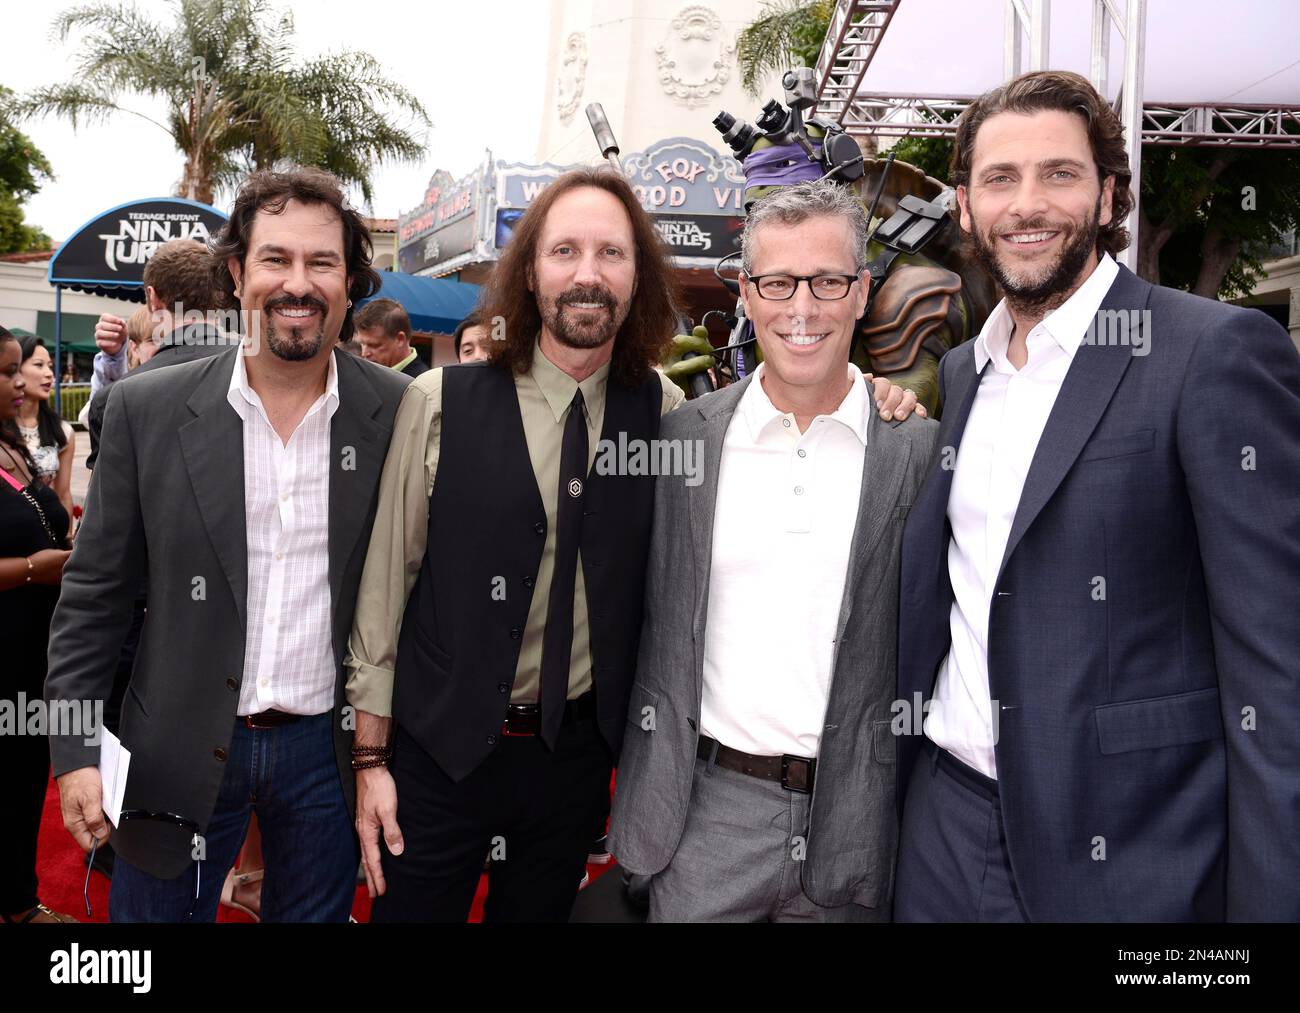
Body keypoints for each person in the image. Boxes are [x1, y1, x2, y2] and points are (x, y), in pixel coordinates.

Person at [345, 167, 920, 923]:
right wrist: (370, 759)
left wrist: (879, 394)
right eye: (565, 252)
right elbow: (384, 597)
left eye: (611, 253)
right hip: (434, 756)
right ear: (530, 270)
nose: (588, 274)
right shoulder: (442, 401)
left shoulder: (669, 417)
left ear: (638, 276)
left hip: (572, 767)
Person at [895, 70, 1300, 922]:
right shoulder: (965, 373)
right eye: (999, 178)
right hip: (943, 831)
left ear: (1110, 191)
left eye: (1060, 174)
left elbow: (1278, 669)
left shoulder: (1212, 353)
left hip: (1130, 853)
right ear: (964, 205)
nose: (1027, 204)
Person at [44, 167, 411, 923]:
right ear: (239, 271)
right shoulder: (145, 409)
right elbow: (93, 596)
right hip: (173, 744)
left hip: (325, 753)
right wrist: (77, 752)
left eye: (322, 262)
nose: (297, 284)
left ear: (351, 280)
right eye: (276, 259)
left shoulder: (399, 412)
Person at [608, 181, 934, 922]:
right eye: (778, 282)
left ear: (862, 292)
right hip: (702, 819)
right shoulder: (683, 439)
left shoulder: (918, 452)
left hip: (858, 819)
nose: (803, 307)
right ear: (748, 295)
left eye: (828, 281)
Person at [0, 325, 75, 924]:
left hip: (32, 652)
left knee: (24, 776)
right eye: (6, 372)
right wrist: (31, 569)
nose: (20, 383)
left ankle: (18, 901)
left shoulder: (16, 445)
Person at [85, 239, 239, 470]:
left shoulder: (111, 400)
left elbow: (107, 499)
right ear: (219, 295)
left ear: (152, 298)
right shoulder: (259, 372)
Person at [7, 336, 75, 523]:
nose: (49, 374)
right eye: (39, 365)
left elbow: (63, 494)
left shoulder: (62, 431)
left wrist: (66, 540)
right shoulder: (3, 429)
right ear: (15, 369)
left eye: (50, 366)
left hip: (49, 534)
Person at [355, 298, 428, 377]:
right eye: (362, 343)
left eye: (374, 345)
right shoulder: (367, 374)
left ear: (400, 339)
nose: (364, 353)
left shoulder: (422, 383)